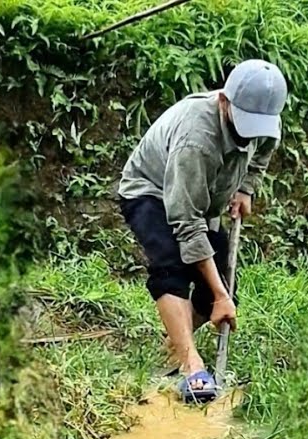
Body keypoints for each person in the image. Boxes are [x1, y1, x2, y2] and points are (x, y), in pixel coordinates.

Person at [116, 58, 287, 403]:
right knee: (171, 265)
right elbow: (186, 223)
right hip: (150, 191)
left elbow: (264, 149)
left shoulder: (265, 118)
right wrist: (222, 297)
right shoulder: (196, 139)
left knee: (220, 282)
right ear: (224, 100)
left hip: (201, 199)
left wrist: (246, 188)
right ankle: (190, 363)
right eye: (244, 123)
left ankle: (175, 340)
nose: (249, 134)